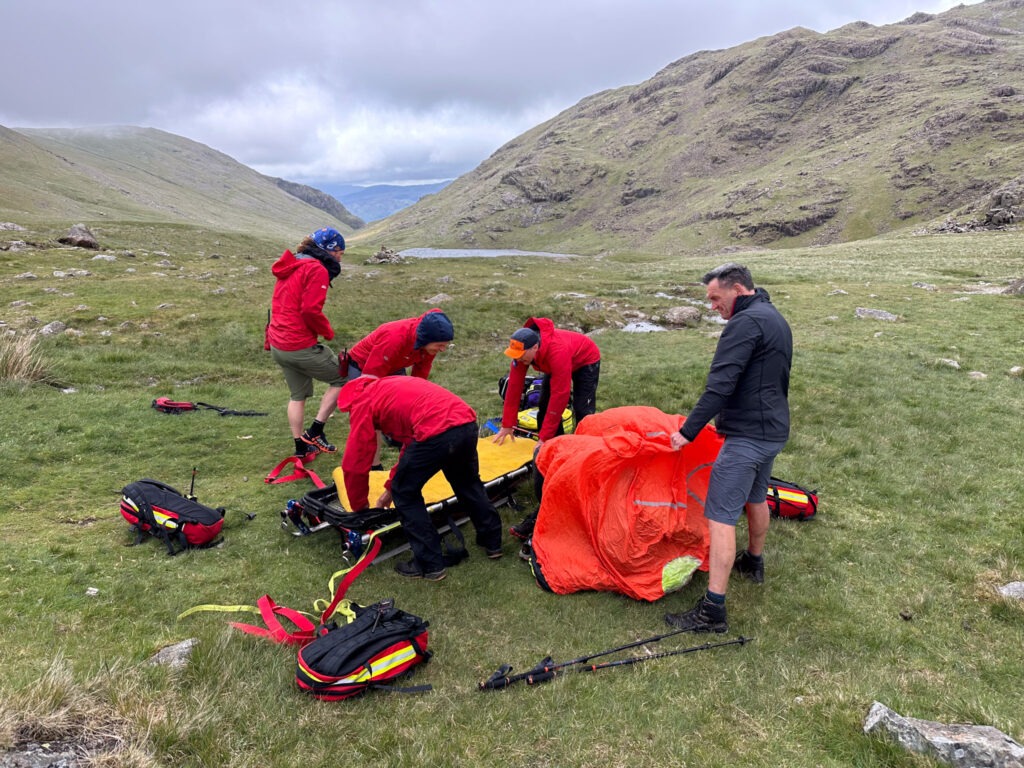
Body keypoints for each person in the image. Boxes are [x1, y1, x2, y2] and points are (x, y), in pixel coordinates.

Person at [665, 263, 792, 634]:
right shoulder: (773, 316)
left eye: (715, 298)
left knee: (720, 516)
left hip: (749, 436)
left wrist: (687, 431)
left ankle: (712, 611)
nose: (712, 306)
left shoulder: (744, 324)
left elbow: (719, 385)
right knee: (756, 496)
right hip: (772, 431)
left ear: (737, 289)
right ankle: (753, 562)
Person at [337, 375, 504, 582]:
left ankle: (429, 564)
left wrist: (360, 509)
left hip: (436, 433)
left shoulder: (363, 401)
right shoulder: (391, 387)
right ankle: (492, 541)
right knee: (467, 482)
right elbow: (411, 445)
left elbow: (355, 462)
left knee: (406, 494)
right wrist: (389, 487)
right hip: (465, 424)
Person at [492, 318, 601, 542]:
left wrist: (544, 437)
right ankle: (557, 453)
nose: (519, 360)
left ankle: (587, 457)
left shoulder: (557, 351)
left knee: (583, 413)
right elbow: (514, 387)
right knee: (543, 410)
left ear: (535, 347)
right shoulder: (521, 352)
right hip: (554, 363)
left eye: (523, 356)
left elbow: (561, 397)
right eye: (516, 356)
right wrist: (507, 424)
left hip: (585, 360)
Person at [265, 227, 347, 462]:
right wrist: (327, 331)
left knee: (297, 395)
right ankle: (315, 432)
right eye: (340, 252)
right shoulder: (316, 269)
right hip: (297, 344)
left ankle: (301, 447)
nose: (340, 257)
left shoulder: (293, 264)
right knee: (343, 376)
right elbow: (310, 310)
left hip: (279, 344)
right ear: (329, 249)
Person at [345, 309, 454, 380]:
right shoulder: (394, 337)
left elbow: (421, 372)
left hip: (395, 365)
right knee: (367, 405)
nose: (442, 349)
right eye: (440, 345)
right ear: (425, 339)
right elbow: (370, 376)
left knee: (400, 403)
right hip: (362, 365)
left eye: (445, 345)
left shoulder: (430, 344)